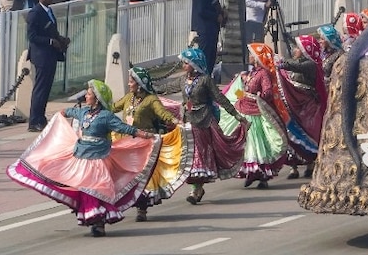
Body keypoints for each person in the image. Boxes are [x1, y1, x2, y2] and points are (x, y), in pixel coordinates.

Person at [7, 79, 159, 237]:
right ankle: (93, 218)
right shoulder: (83, 112)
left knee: (95, 190)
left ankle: (99, 223)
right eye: (87, 93)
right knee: (79, 188)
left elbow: (125, 128)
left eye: (89, 93)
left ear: (97, 98)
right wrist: (57, 120)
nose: (86, 96)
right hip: (80, 159)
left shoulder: (106, 117)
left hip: (98, 162)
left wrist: (146, 135)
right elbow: (66, 112)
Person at [111, 66, 183, 222]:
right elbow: (112, 108)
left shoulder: (151, 100)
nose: (129, 84)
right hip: (126, 144)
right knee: (125, 176)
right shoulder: (128, 98)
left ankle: (141, 208)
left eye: (131, 81)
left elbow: (163, 114)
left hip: (144, 145)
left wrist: (176, 121)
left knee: (141, 177)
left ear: (139, 83)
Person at [179, 46, 247, 205]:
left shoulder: (205, 80)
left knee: (199, 155)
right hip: (188, 122)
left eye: (186, 63)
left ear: (194, 64)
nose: (183, 66)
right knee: (190, 155)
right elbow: (167, 89)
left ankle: (196, 189)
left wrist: (236, 115)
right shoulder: (182, 80)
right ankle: (197, 188)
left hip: (203, 121)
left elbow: (220, 98)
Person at [234, 42, 288, 188]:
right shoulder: (252, 73)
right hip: (245, 111)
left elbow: (268, 92)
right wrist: (241, 90)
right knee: (247, 143)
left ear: (257, 57)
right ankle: (252, 173)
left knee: (257, 144)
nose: (249, 56)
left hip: (256, 115)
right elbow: (245, 91)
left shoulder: (263, 73)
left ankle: (262, 174)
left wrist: (256, 97)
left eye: (252, 54)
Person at [276, 33, 326, 179]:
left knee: (309, 134)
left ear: (306, 50)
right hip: (293, 106)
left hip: (308, 106)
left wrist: (280, 63)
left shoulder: (310, 64)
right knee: (292, 134)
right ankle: (293, 167)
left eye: (298, 48)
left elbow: (294, 66)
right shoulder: (295, 62)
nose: (294, 50)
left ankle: (310, 164)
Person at [25, 0, 69, 132]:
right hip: (41, 56)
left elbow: (51, 31)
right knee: (40, 89)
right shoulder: (35, 13)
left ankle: (41, 117)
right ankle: (34, 120)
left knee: (46, 89)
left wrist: (60, 39)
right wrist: (50, 42)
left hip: (50, 55)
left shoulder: (49, 11)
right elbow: (32, 36)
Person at [190, 0, 224, 76]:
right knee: (204, 56)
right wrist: (216, 16)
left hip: (212, 29)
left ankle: (208, 79)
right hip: (205, 29)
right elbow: (201, 10)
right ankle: (202, 79)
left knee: (211, 56)